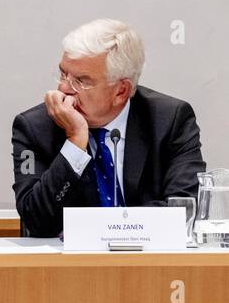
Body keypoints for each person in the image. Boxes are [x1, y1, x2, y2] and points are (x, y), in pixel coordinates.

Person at [12, 18, 204, 238]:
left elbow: (183, 209)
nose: (64, 88)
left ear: (121, 91)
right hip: (71, 266)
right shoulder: (36, 127)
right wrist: (75, 142)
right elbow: (36, 220)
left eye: (82, 80)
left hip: (150, 261)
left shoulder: (170, 120)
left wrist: (101, 230)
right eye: (64, 74)